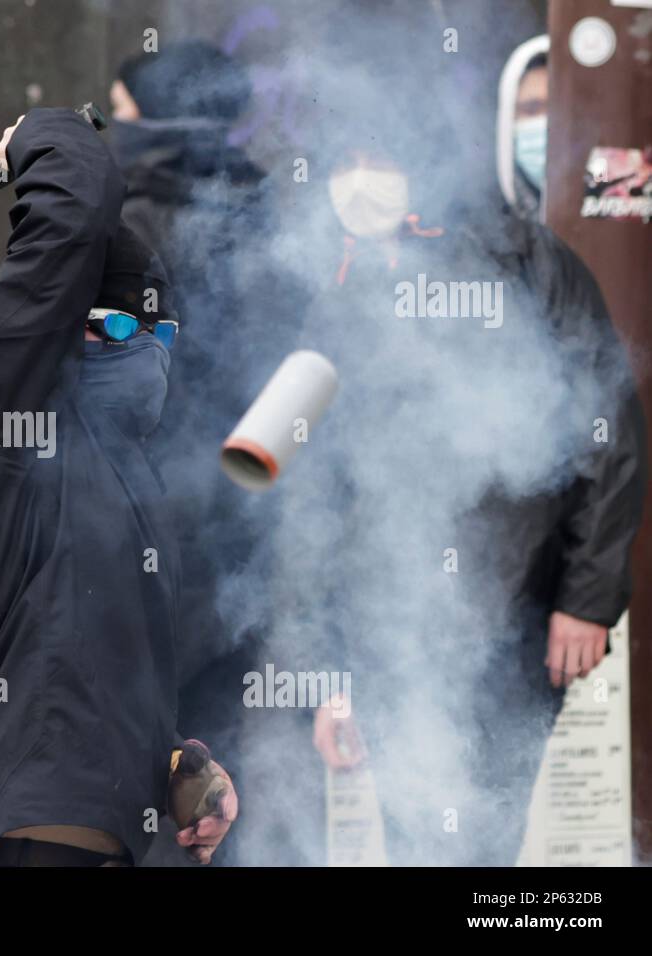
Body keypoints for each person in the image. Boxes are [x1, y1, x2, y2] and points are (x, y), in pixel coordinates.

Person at [285, 96, 646, 865]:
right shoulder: (338, 298)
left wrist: (585, 598)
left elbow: (607, 431)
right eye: (344, 166)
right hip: (388, 629)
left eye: (376, 162)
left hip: (514, 610)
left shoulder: (527, 262)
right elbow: (316, 499)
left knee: (480, 837)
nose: (359, 182)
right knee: (415, 833)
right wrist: (328, 669)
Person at [0, 107, 237, 867]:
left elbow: (92, 667)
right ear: (60, 329)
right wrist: (39, 135)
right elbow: (75, 212)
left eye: (162, 335)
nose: (148, 353)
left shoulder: (129, 478)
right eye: (119, 330)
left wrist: (182, 765)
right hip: (15, 844)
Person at [110, 42, 311, 866]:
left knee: (124, 781)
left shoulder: (124, 222)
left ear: (156, 115)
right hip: (243, 550)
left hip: (137, 543)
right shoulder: (280, 227)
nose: (113, 128)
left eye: (120, 111)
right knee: (212, 790)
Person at [496, 37, 550, 222]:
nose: (548, 123)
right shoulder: (478, 237)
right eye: (532, 109)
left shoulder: (626, 232)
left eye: (562, 108)